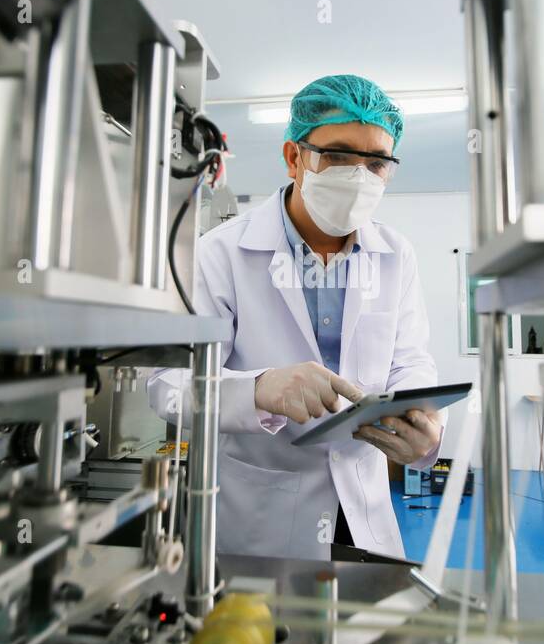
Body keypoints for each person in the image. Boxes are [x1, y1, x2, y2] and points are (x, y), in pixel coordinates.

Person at [148, 74, 442, 560]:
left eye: (376, 163)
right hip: (263, 516)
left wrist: (424, 424)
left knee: (360, 630)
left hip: (364, 512)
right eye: (339, 156)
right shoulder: (220, 255)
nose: (359, 176)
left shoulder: (396, 254)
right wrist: (258, 390)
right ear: (294, 157)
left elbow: (410, 361)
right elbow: (168, 385)